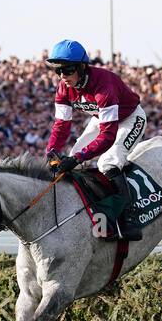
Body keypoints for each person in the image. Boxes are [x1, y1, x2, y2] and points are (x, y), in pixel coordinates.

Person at [44, 38, 148, 241]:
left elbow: (108, 136)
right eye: (58, 71)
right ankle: (90, 214)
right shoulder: (64, 88)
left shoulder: (103, 86)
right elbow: (61, 125)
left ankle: (129, 217)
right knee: (72, 158)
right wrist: (51, 151)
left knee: (107, 162)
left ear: (82, 67)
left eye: (67, 70)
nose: (62, 76)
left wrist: (78, 158)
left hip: (129, 119)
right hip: (103, 119)